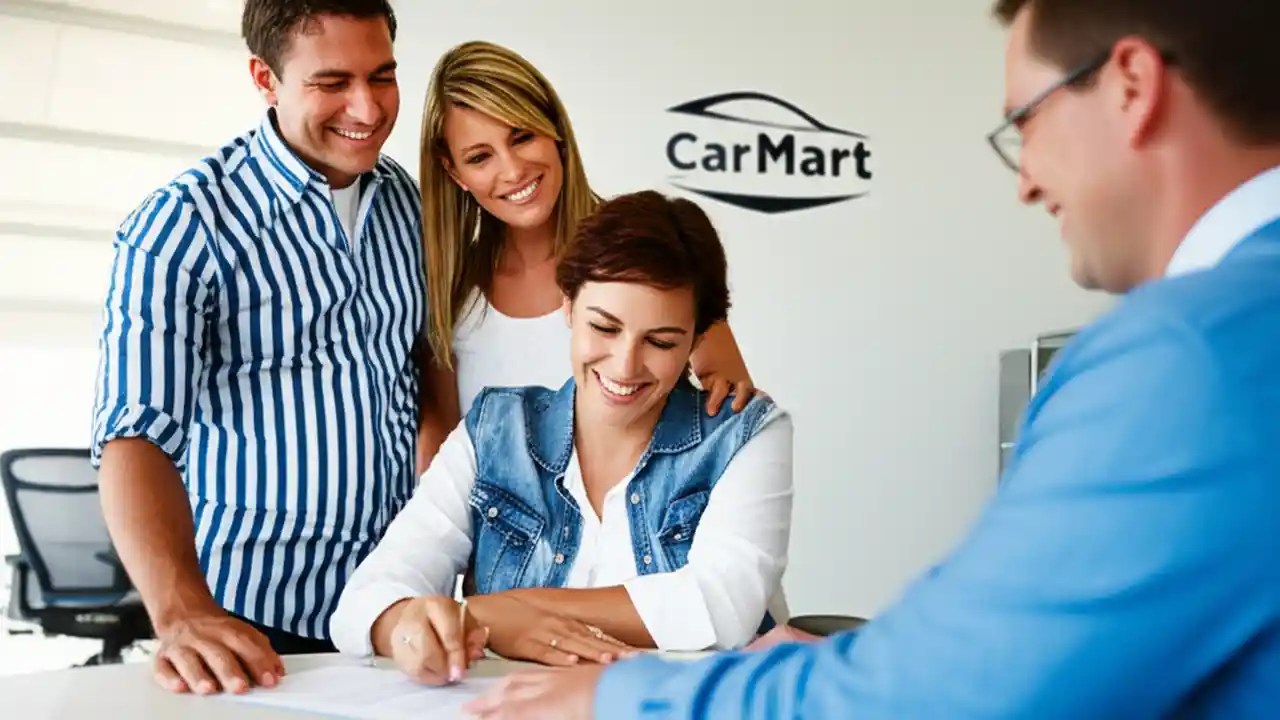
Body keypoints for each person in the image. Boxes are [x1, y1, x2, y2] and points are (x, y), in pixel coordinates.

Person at [464, 0, 1280, 717]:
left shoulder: (1188, 355)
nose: (1026, 180)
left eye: (1023, 121)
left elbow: (966, 688)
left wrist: (618, 700)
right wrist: (868, 668)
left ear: (1132, 86)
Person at [89, 0, 424, 696]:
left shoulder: (408, 206)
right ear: (265, 79)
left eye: (382, 76)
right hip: (247, 625)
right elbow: (133, 435)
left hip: (391, 616)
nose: (367, 108)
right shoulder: (182, 225)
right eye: (332, 83)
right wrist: (181, 612)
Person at [329, 190, 794, 685]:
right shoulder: (498, 429)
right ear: (568, 306)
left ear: (697, 339)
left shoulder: (749, 434)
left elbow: (720, 609)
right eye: (604, 327)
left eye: (660, 342)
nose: (625, 365)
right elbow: (364, 602)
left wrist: (493, 615)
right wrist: (408, 629)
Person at [414, 40, 758, 475]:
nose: (513, 170)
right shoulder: (449, 287)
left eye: (522, 136)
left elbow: (726, 397)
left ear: (554, 130)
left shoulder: (642, 245)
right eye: (480, 157)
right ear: (453, 172)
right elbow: (442, 440)